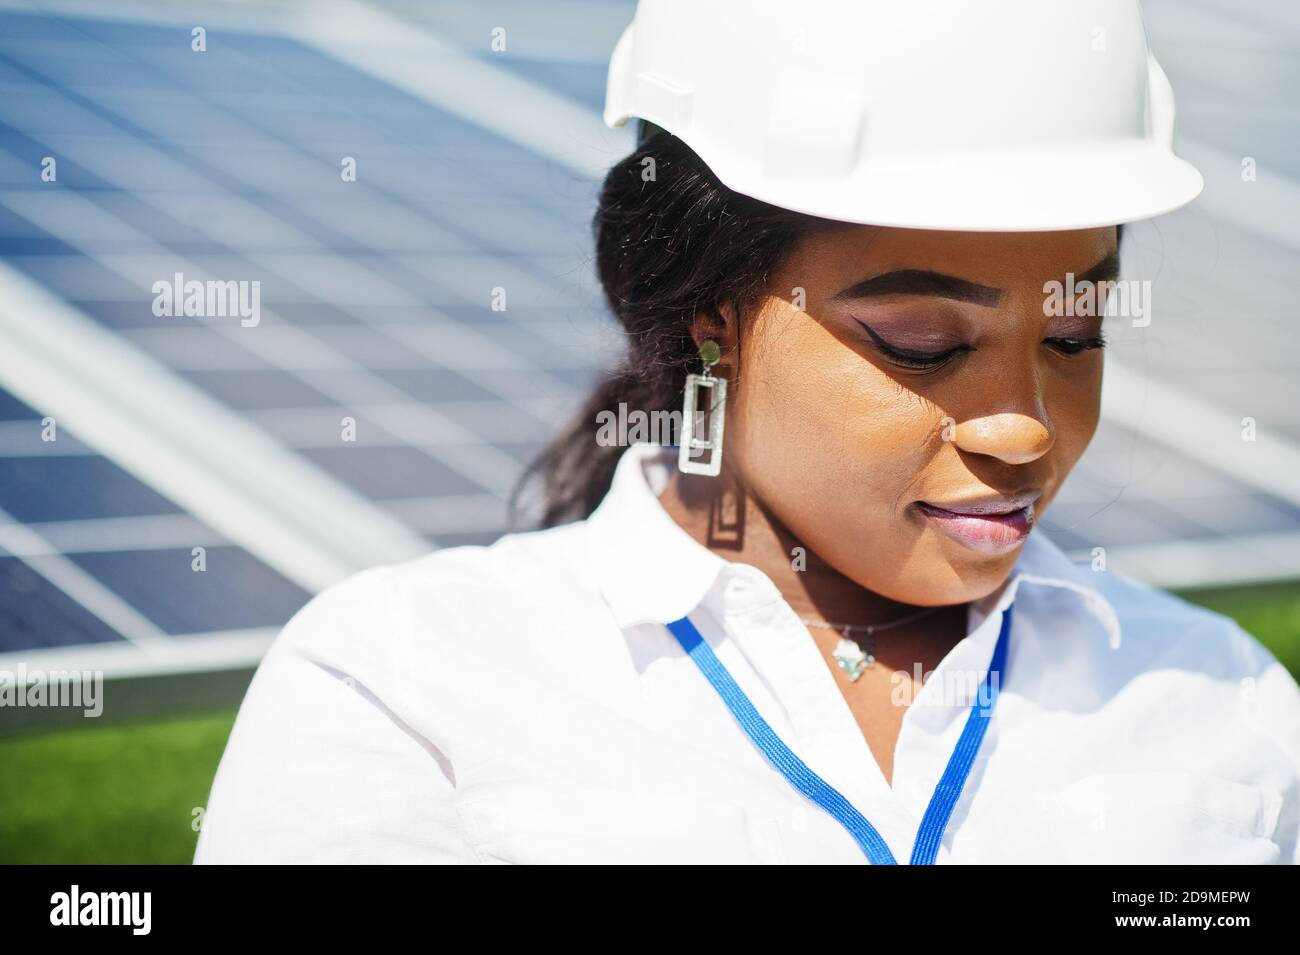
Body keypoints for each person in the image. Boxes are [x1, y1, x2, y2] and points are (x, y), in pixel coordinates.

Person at [195, 0, 1300, 864]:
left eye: (1076, 334)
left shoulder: (1225, 703)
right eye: (921, 342)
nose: (1021, 427)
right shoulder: (403, 689)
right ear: (708, 320)